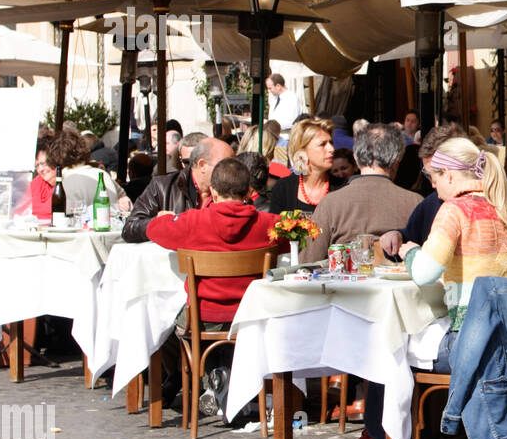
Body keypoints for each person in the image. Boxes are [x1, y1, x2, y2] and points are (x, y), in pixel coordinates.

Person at [386, 136, 507, 439]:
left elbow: (424, 273)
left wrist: (411, 251)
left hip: (470, 347)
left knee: (396, 353)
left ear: (451, 176)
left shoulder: (453, 211)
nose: (434, 185)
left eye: (433, 177)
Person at [145, 158, 285, 324]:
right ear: (249, 191)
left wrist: (167, 218)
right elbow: (301, 232)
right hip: (252, 317)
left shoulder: (193, 221)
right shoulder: (268, 223)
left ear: (213, 192)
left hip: (203, 318)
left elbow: (152, 229)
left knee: (166, 330)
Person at [380, 124, 507, 257]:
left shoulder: (505, 198)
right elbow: (410, 237)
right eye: (428, 174)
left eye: (436, 174)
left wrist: (412, 254)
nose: (433, 184)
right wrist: (397, 236)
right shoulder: (432, 202)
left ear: (450, 173)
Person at [303, 124, 421, 263]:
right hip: (400, 282)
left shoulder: (330, 204)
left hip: (343, 282)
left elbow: (307, 262)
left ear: (356, 160)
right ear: (396, 161)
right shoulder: (415, 202)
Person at [123, 137, 234, 243]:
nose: (233, 171)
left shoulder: (235, 190)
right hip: (170, 261)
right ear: (202, 165)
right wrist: (157, 223)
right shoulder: (162, 187)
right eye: (226, 165)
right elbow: (129, 229)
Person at [268, 118, 343, 214]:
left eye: (331, 143)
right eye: (322, 144)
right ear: (302, 151)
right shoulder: (283, 188)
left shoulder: (341, 188)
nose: (331, 149)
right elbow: (274, 226)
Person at [46, 130, 125, 212]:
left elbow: (66, 218)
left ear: (54, 157)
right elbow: (126, 201)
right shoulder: (103, 174)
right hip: (111, 223)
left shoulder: (66, 183)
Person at [29, 136, 57, 219]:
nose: (40, 169)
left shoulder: (67, 183)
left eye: (43, 164)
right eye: (37, 166)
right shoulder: (36, 183)